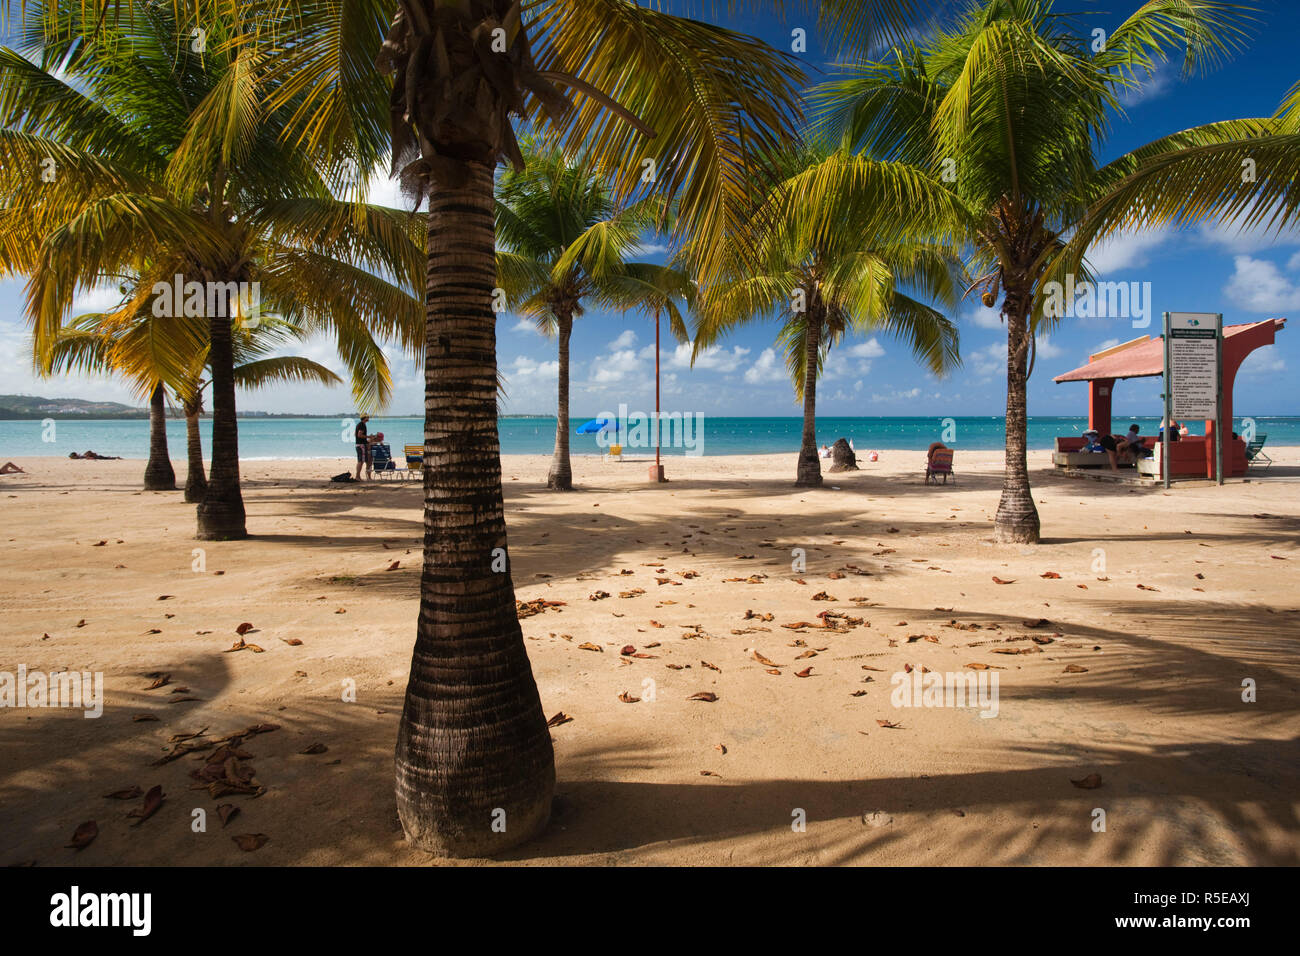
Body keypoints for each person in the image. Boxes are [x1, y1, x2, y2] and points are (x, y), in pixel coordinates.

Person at [354, 414, 372, 480]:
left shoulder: (360, 424)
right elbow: (359, 435)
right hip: (361, 445)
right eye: (367, 417)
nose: (368, 418)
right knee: (361, 461)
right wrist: (368, 437)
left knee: (360, 461)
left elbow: (355, 434)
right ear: (364, 418)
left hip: (359, 444)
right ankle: (357, 476)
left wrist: (366, 440)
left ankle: (358, 476)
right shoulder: (362, 425)